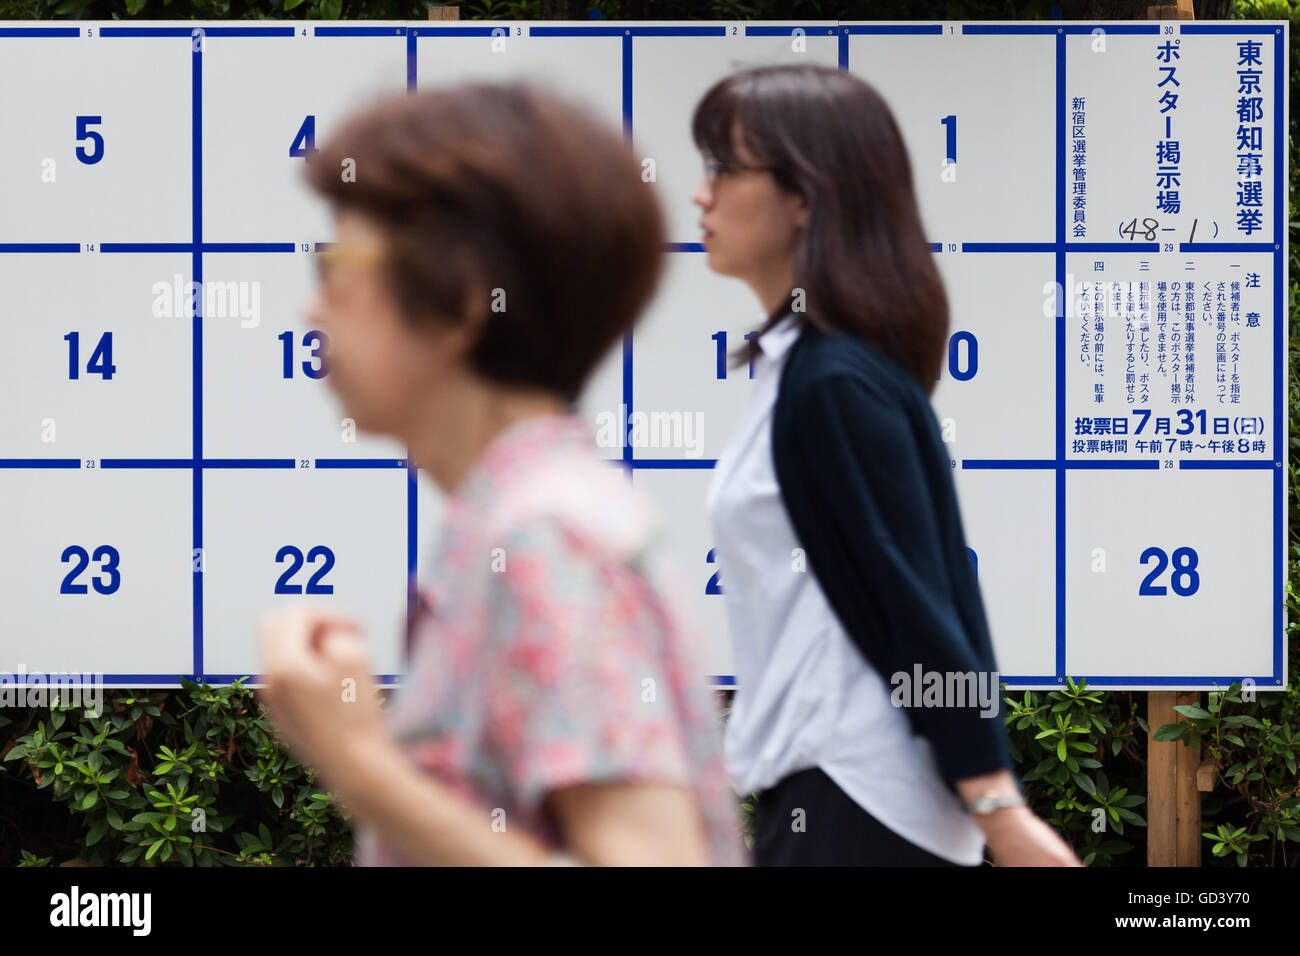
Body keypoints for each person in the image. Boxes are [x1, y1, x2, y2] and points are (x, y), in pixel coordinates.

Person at [257, 81, 747, 866]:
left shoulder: (545, 538)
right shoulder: (517, 521)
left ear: (457, 304)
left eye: (337, 265)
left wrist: (362, 768)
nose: (312, 311)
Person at [694, 64, 1081, 866]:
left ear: (806, 196)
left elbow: (921, 605)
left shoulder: (834, 383)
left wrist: (1000, 810)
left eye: (726, 169)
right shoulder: (806, 369)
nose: (702, 195)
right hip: (829, 795)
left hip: (857, 803)